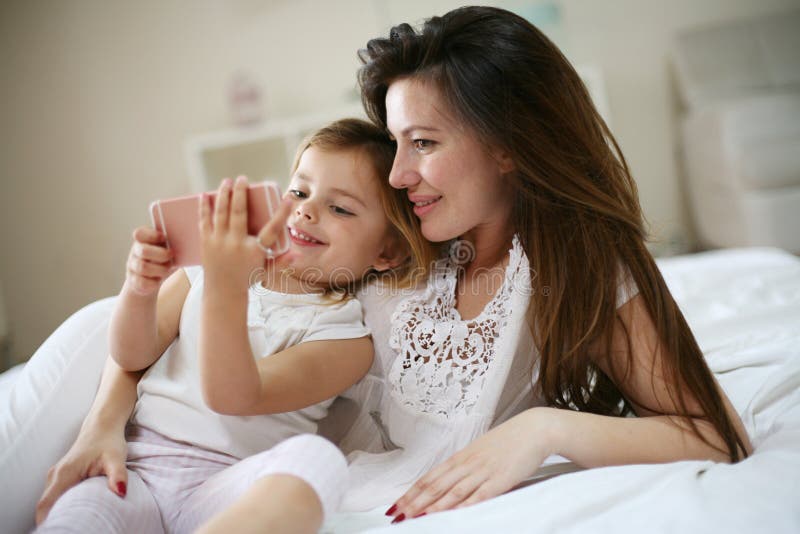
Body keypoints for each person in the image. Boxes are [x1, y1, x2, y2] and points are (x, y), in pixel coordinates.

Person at [26, 5, 753, 532]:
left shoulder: (575, 272)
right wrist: (104, 423)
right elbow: (170, 338)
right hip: (134, 390)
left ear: (509, 145)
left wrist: (543, 431)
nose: (399, 173)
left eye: (424, 143)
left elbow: (711, 434)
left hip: (265, 471)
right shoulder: (395, 237)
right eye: (396, 143)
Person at [34, 118, 433, 533]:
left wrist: (227, 287)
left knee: (318, 459)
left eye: (340, 208)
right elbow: (131, 354)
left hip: (225, 488)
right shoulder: (204, 270)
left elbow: (235, 395)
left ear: (388, 251)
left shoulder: (344, 337)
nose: (306, 209)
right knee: (80, 514)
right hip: (133, 470)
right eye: (299, 190)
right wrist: (139, 288)